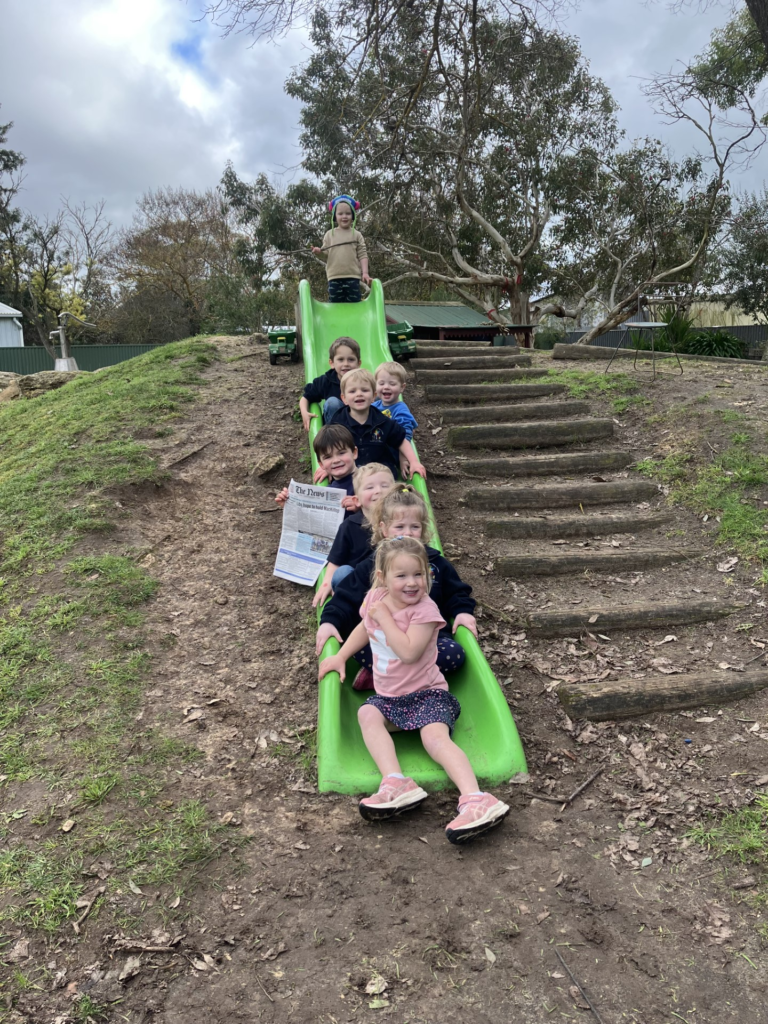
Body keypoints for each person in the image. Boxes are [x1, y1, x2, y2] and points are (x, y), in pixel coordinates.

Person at [318, 536, 510, 844]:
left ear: (428, 575)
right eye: (402, 576)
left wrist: (383, 617)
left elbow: (409, 652)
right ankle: (396, 782)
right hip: (392, 699)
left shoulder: (425, 611)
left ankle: (476, 798)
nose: (412, 583)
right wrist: (340, 656)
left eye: (418, 575)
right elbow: (365, 628)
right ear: (382, 578)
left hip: (429, 695)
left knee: (433, 738)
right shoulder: (375, 599)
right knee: (367, 713)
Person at [315, 483, 476, 689]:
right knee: (350, 638)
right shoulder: (374, 565)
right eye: (399, 527)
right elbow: (346, 596)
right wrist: (329, 621)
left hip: (424, 642)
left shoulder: (436, 562)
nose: (407, 533)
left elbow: (457, 592)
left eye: (414, 527)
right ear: (383, 529)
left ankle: (384, 674)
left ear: (423, 529)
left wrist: (463, 612)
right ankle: (392, 674)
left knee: (454, 655)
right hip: (385, 641)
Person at [319, 368, 426, 483]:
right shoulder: (338, 421)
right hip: (351, 470)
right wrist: (323, 467)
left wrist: (414, 461)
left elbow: (400, 439)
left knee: (385, 481)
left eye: (364, 390)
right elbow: (326, 444)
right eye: (352, 391)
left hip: (379, 469)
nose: (359, 394)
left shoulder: (381, 420)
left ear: (373, 396)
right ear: (344, 398)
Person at [313, 462, 394, 609]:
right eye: (370, 487)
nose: (379, 491)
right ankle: (351, 609)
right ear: (357, 500)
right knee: (342, 572)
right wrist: (326, 583)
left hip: (390, 584)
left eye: (385, 486)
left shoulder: (399, 523)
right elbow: (336, 559)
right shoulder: (349, 525)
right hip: (358, 585)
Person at [275, 424, 359, 516]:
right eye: (328, 457)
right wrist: (290, 507)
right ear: (321, 464)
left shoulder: (369, 479)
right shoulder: (326, 493)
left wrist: (361, 508)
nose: (336, 460)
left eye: (341, 453)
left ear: (354, 453)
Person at [311, 195, 371, 303]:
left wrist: (365, 273)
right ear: (335, 216)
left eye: (348, 213)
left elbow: (363, 255)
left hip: (352, 276)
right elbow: (325, 254)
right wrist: (318, 252)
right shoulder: (329, 234)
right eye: (340, 213)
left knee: (354, 302)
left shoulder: (357, 235)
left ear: (352, 216)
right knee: (335, 303)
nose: (344, 216)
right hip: (334, 277)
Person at [299, 337, 361, 431]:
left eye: (351, 359)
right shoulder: (326, 381)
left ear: (358, 363)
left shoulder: (363, 381)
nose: (346, 364)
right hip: (336, 430)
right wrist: (304, 412)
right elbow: (306, 397)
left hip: (359, 425)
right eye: (340, 359)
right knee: (332, 402)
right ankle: (336, 440)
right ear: (332, 363)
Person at [372, 361, 417, 440]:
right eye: (381, 383)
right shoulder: (373, 406)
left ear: (402, 387)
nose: (386, 387)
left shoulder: (400, 409)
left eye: (392, 384)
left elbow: (406, 432)